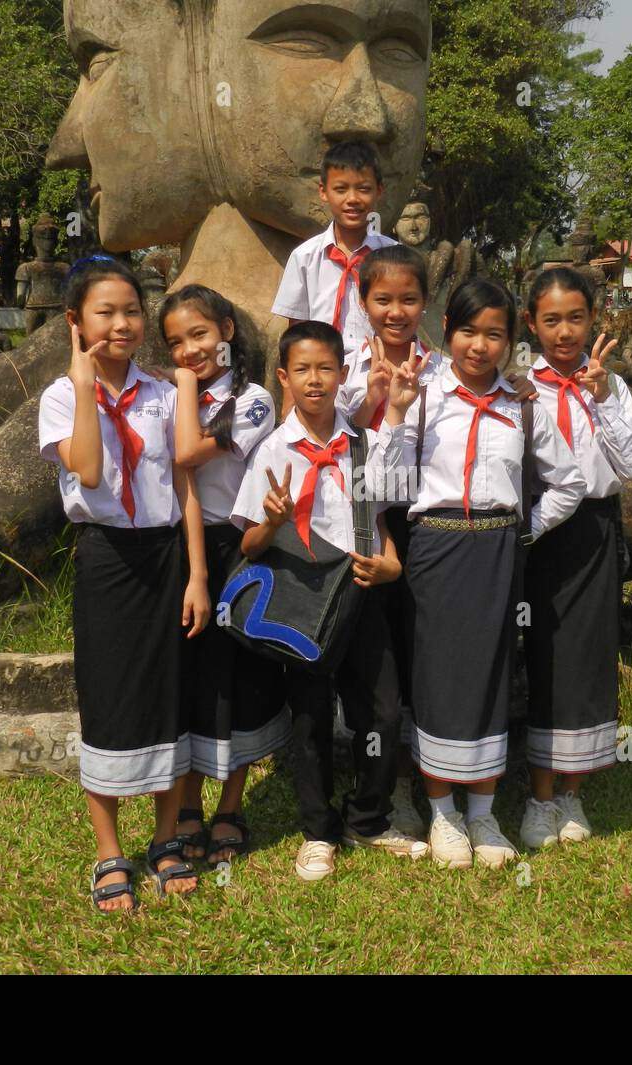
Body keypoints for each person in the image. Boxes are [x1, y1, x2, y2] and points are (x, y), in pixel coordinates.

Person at [376, 279, 586, 869]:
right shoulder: (421, 396)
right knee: (437, 678)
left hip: (498, 551)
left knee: (493, 672)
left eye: (494, 334)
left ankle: (483, 812)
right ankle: (442, 813)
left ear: (510, 341)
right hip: (434, 549)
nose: (479, 345)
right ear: (447, 332)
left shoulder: (524, 405)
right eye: (468, 331)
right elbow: (385, 486)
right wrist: (394, 413)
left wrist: (526, 527)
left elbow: (568, 481)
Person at [37, 255, 212, 913]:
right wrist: (86, 387)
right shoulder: (60, 396)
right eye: (105, 312)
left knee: (172, 693)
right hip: (107, 559)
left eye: (132, 311)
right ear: (75, 322)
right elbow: (85, 469)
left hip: (167, 555)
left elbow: (187, 488)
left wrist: (197, 573)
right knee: (107, 696)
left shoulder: (165, 394)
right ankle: (110, 850)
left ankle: (165, 839)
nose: (122, 323)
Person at [232, 321, 429, 881]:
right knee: (311, 716)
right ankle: (318, 830)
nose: (314, 381)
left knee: (383, 711)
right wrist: (270, 522)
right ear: (283, 377)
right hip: (304, 603)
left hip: (362, 595)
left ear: (343, 375)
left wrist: (392, 562)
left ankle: (368, 817)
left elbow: (379, 515)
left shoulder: (361, 445)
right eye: (302, 370)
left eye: (325, 369)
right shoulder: (273, 450)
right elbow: (248, 543)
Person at [519, 268, 632, 851]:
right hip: (536, 533)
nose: (565, 331)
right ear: (531, 324)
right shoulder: (521, 387)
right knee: (540, 656)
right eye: (551, 320)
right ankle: (535, 796)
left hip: (594, 532)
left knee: (585, 660)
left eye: (575, 317)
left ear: (593, 318)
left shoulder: (611, 386)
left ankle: (569, 792)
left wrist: (601, 398)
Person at [163, 284, 289, 868]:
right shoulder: (167, 398)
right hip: (185, 548)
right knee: (188, 673)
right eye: (176, 343)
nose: (190, 350)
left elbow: (188, 455)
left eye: (200, 335)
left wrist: (185, 388)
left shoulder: (256, 400)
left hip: (242, 547)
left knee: (241, 675)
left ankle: (231, 806)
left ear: (228, 333)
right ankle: (187, 805)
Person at [339, 244, 445, 837]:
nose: (396, 311)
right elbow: (333, 426)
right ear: (364, 302)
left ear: (424, 302)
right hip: (368, 519)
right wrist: (375, 392)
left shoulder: (441, 367)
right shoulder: (350, 362)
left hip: (425, 519)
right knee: (374, 661)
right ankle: (385, 784)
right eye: (383, 299)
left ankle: (423, 777)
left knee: (416, 649)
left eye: (408, 299)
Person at [271, 141, 399, 393]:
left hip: (381, 372)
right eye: (340, 189)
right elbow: (296, 334)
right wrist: (290, 400)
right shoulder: (305, 257)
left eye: (363, 189)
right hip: (322, 379)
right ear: (323, 191)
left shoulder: (394, 256)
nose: (352, 199)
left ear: (379, 191)